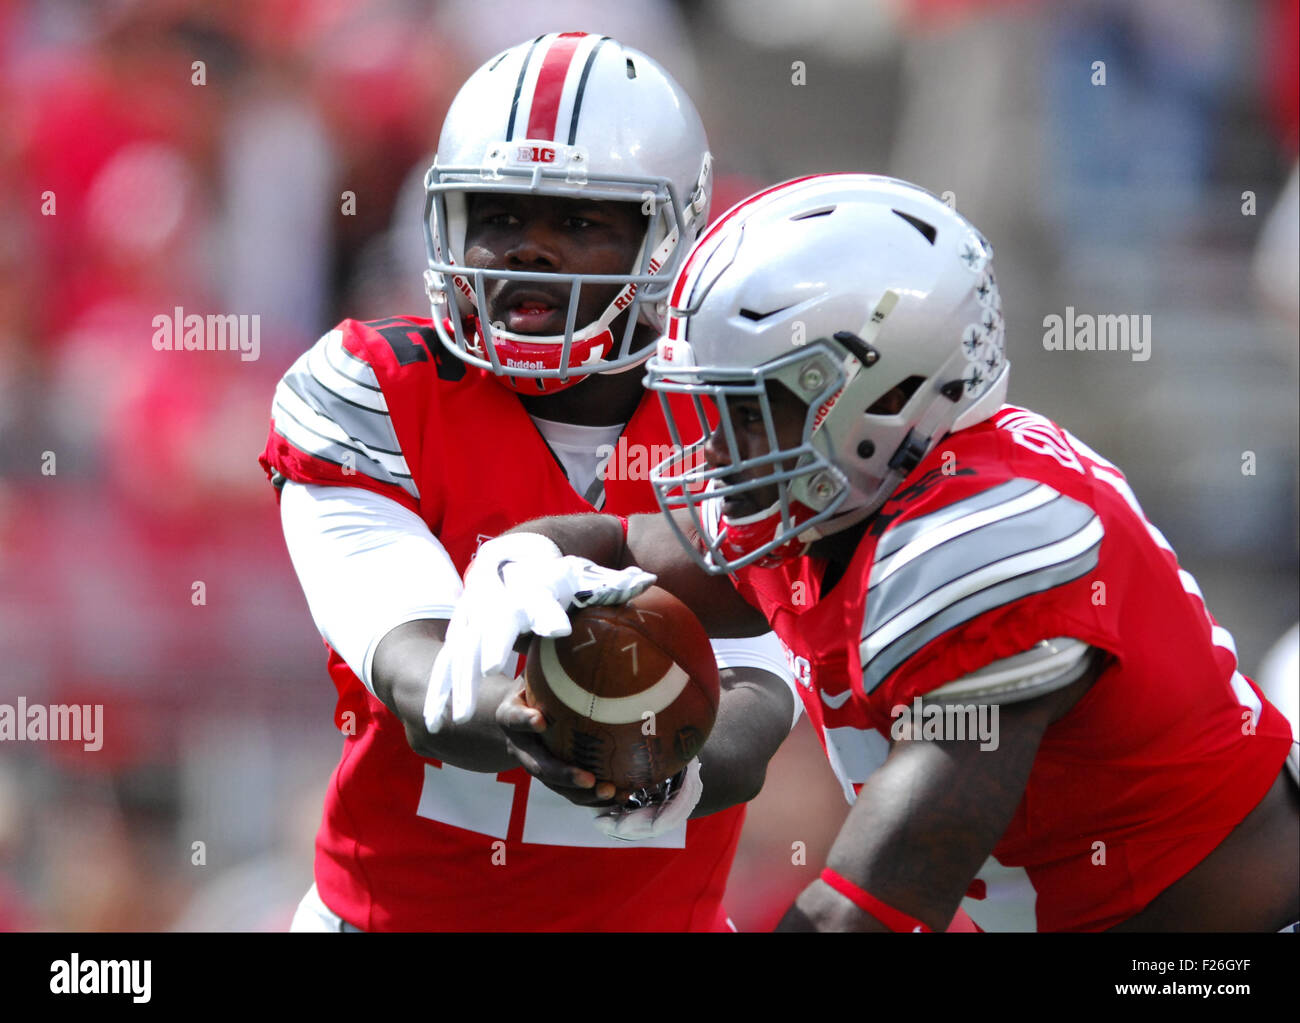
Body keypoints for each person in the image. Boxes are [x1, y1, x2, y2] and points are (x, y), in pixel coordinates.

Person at [432, 173, 1300, 932]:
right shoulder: (834, 490)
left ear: (876, 394)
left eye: (746, 407)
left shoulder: (984, 538)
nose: (715, 450)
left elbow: (870, 906)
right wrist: (521, 560)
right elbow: (623, 543)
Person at [260, 32, 797, 932]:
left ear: (663, 239)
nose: (529, 252)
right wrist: (576, 726)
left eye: (579, 223)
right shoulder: (373, 392)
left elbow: (754, 715)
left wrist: (672, 767)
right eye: (501, 216)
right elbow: (422, 686)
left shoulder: (733, 420)